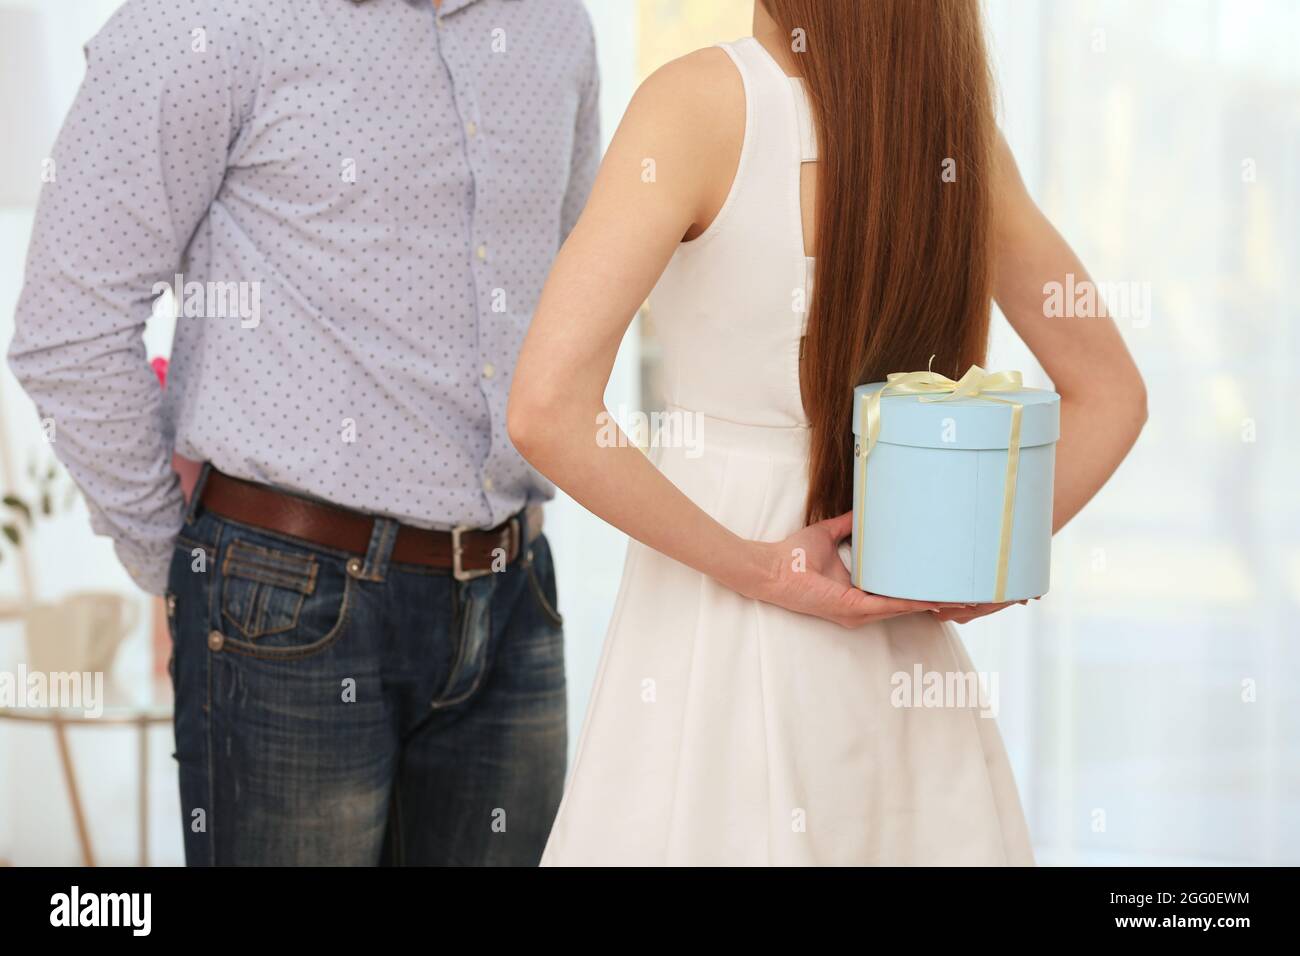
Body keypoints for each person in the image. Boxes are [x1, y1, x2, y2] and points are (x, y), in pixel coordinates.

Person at [509, 0, 1146, 865]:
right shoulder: (953, 135)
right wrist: (984, 555)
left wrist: (762, 567)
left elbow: (548, 408)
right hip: (895, 642)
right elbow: (1112, 392)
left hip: (715, 618)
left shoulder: (696, 104)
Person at [10, 0, 599, 866]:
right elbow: (68, 325)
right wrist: (180, 560)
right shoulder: (208, 18)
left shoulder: (557, 26)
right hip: (285, 606)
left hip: (515, 597)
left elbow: (572, 299)